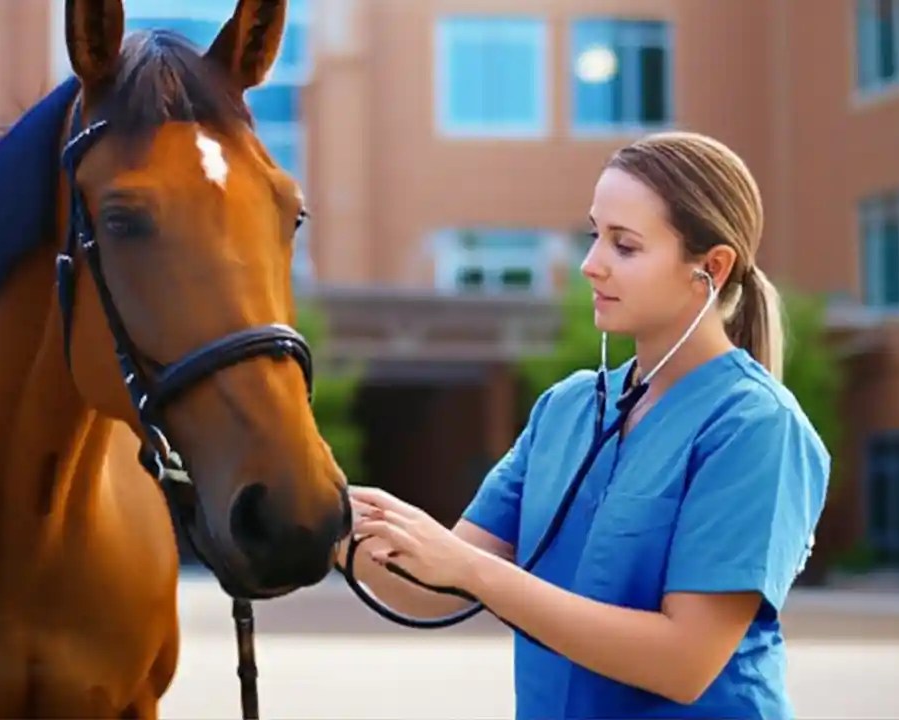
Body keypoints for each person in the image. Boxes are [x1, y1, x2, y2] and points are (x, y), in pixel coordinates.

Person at [338, 130, 830, 720]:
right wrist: (318, 526)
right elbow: (432, 590)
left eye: (624, 246)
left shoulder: (756, 428)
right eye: (595, 236)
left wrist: (471, 569)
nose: (590, 265)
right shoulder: (566, 410)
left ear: (711, 268)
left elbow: (684, 663)